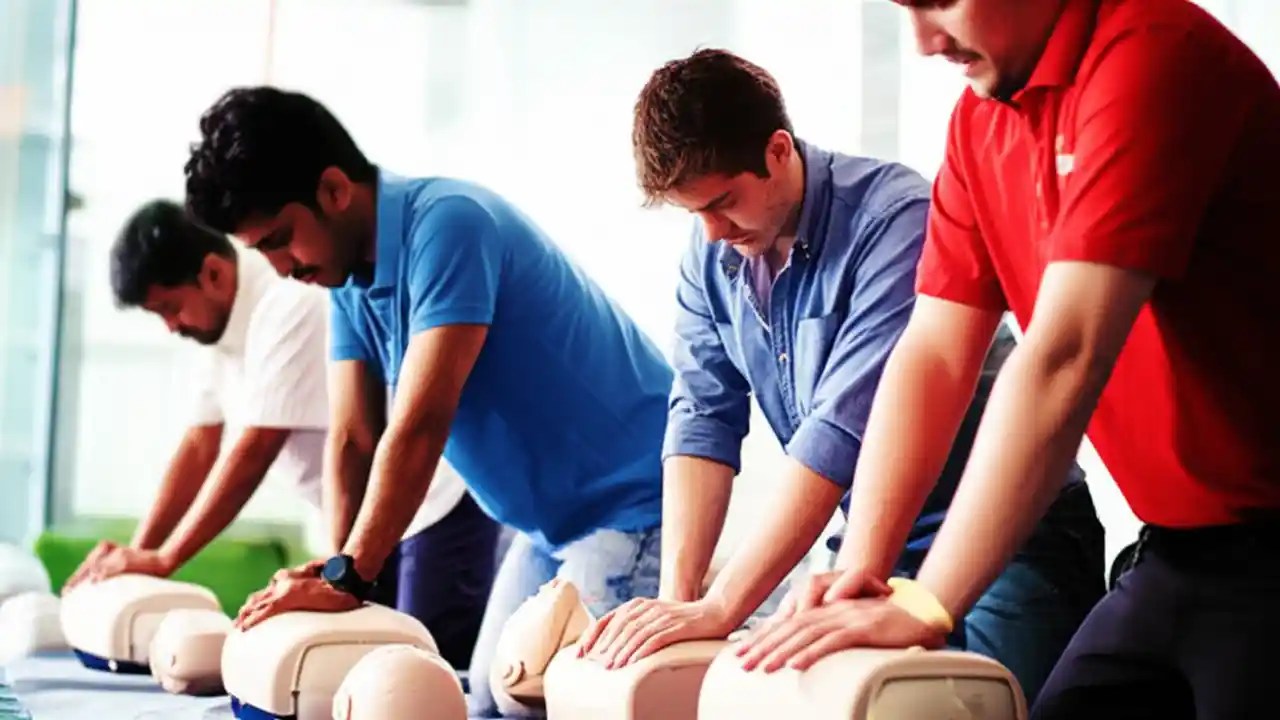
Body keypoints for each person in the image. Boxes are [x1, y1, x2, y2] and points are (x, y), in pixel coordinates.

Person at [737, 1, 1280, 718]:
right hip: (1177, 553)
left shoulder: (1154, 55)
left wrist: (929, 602)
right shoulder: (980, 125)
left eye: (940, 1)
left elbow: (1066, 356)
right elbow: (935, 355)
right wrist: (861, 574)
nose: (924, 41)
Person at [576, 48, 1103, 704]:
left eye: (723, 203)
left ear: (777, 151)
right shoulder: (712, 253)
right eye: (695, 214)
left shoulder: (894, 218)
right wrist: (679, 607)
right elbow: (702, 419)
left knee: (994, 707)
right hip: (869, 545)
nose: (711, 233)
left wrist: (723, 606)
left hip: (1004, 534)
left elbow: (838, 435)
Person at [181, 86, 673, 716]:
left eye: (281, 239)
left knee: (531, 701)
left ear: (333, 191)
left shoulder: (450, 225)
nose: (280, 267)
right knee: (487, 702)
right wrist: (336, 568)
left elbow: (419, 424)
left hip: (633, 506)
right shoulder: (348, 282)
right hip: (549, 527)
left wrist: (350, 577)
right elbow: (353, 437)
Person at [63, 199, 499, 670]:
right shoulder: (214, 336)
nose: (171, 327)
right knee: (362, 668)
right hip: (362, 521)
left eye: (170, 308)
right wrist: (142, 553)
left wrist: (166, 559)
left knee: (420, 671)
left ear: (212, 274)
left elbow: (255, 449)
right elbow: (199, 446)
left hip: (431, 501)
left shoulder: (289, 302)